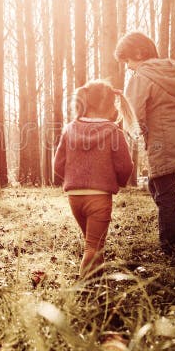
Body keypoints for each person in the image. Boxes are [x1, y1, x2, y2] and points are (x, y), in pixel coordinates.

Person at [114, 32, 175, 256]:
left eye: (128, 60)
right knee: (157, 186)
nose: (128, 66)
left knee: (164, 190)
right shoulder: (173, 74)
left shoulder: (142, 76)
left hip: (161, 138)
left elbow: (133, 110)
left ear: (139, 54)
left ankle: (170, 241)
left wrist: (136, 133)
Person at [54, 80, 134, 278]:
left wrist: (74, 178)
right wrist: (118, 181)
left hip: (74, 196)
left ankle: (98, 282)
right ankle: (84, 291)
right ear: (110, 106)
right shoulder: (114, 132)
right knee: (92, 247)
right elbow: (125, 166)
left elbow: (57, 165)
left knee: (94, 243)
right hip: (99, 196)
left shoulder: (69, 129)